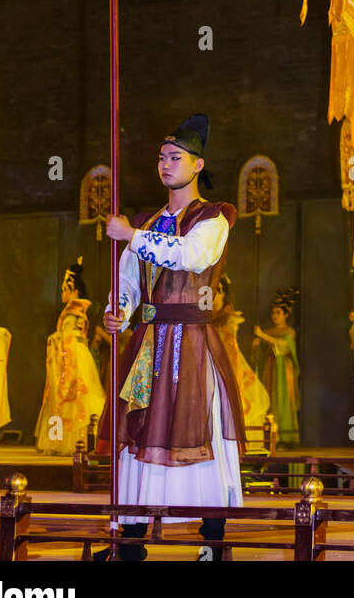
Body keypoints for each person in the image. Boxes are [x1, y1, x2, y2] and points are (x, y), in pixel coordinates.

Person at [95, 113, 245, 561]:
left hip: (193, 343)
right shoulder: (146, 220)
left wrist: (131, 235)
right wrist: (115, 311)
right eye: (161, 157)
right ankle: (131, 543)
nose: (165, 164)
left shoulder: (215, 218)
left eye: (175, 157)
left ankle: (214, 543)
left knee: (200, 430)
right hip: (148, 340)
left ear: (197, 165)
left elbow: (189, 256)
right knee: (140, 430)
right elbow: (125, 282)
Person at [35, 257, 106, 455]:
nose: (62, 293)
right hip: (71, 354)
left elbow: (67, 337)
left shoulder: (75, 309)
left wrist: (53, 339)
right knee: (66, 398)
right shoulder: (73, 310)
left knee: (73, 396)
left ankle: (74, 442)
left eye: (64, 288)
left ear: (72, 288)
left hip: (72, 355)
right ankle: (61, 441)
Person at [210, 274, 271, 443]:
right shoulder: (206, 319)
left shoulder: (228, 320)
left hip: (225, 368)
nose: (213, 295)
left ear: (223, 294)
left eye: (217, 291)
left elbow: (230, 352)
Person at [252, 289, 299, 446]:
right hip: (270, 369)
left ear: (286, 314)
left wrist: (263, 337)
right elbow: (260, 355)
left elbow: (284, 347)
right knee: (270, 399)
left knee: (284, 400)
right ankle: (272, 437)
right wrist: (257, 345)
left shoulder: (289, 332)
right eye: (273, 312)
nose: (274, 316)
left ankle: (286, 437)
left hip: (284, 371)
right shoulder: (268, 331)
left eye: (278, 312)